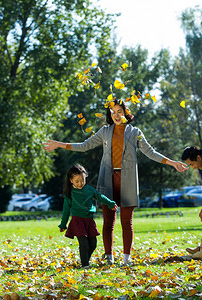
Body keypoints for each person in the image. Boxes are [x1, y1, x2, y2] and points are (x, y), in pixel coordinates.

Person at [44, 100, 188, 265]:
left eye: (119, 111)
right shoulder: (105, 131)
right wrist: (59, 145)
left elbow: (150, 152)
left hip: (127, 180)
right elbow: (84, 146)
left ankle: (127, 258)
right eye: (113, 112)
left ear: (126, 112)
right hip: (107, 180)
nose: (116, 115)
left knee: (127, 222)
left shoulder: (135, 132)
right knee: (108, 222)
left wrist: (172, 163)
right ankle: (109, 257)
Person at [59, 164, 118, 268]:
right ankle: (85, 265)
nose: (80, 183)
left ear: (85, 177)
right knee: (84, 244)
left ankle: (84, 259)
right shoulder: (70, 193)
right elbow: (66, 210)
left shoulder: (89, 189)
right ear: (71, 180)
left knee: (93, 244)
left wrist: (110, 203)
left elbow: (100, 196)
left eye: (82, 180)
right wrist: (63, 224)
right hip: (77, 221)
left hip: (89, 220)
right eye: (77, 181)